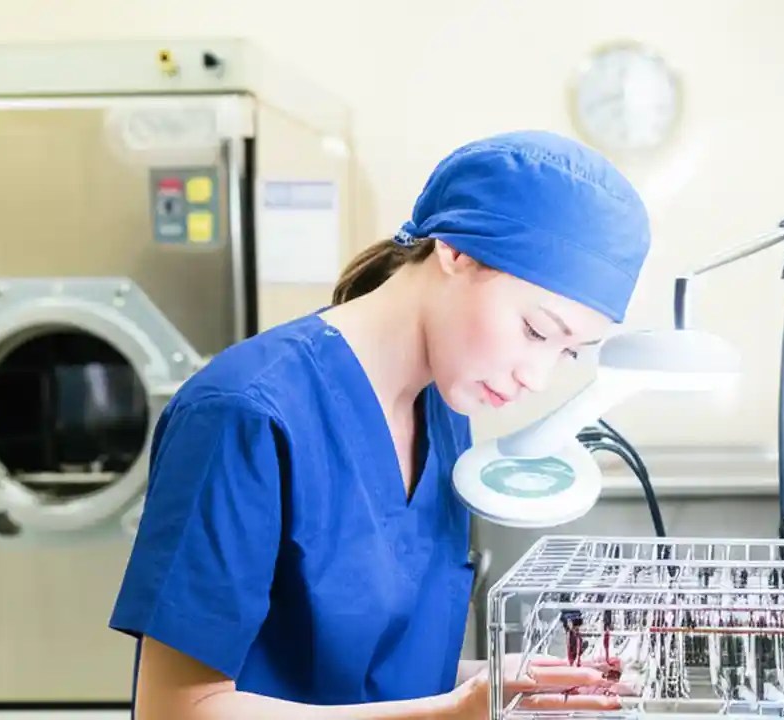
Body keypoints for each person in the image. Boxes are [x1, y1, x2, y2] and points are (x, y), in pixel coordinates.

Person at [108, 129, 652, 719]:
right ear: (456, 252)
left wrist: (507, 685)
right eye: (537, 332)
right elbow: (177, 711)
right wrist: (452, 713)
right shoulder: (245, 413)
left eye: (569, 353)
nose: (537, 378)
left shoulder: (443, 409)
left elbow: (378, 674)